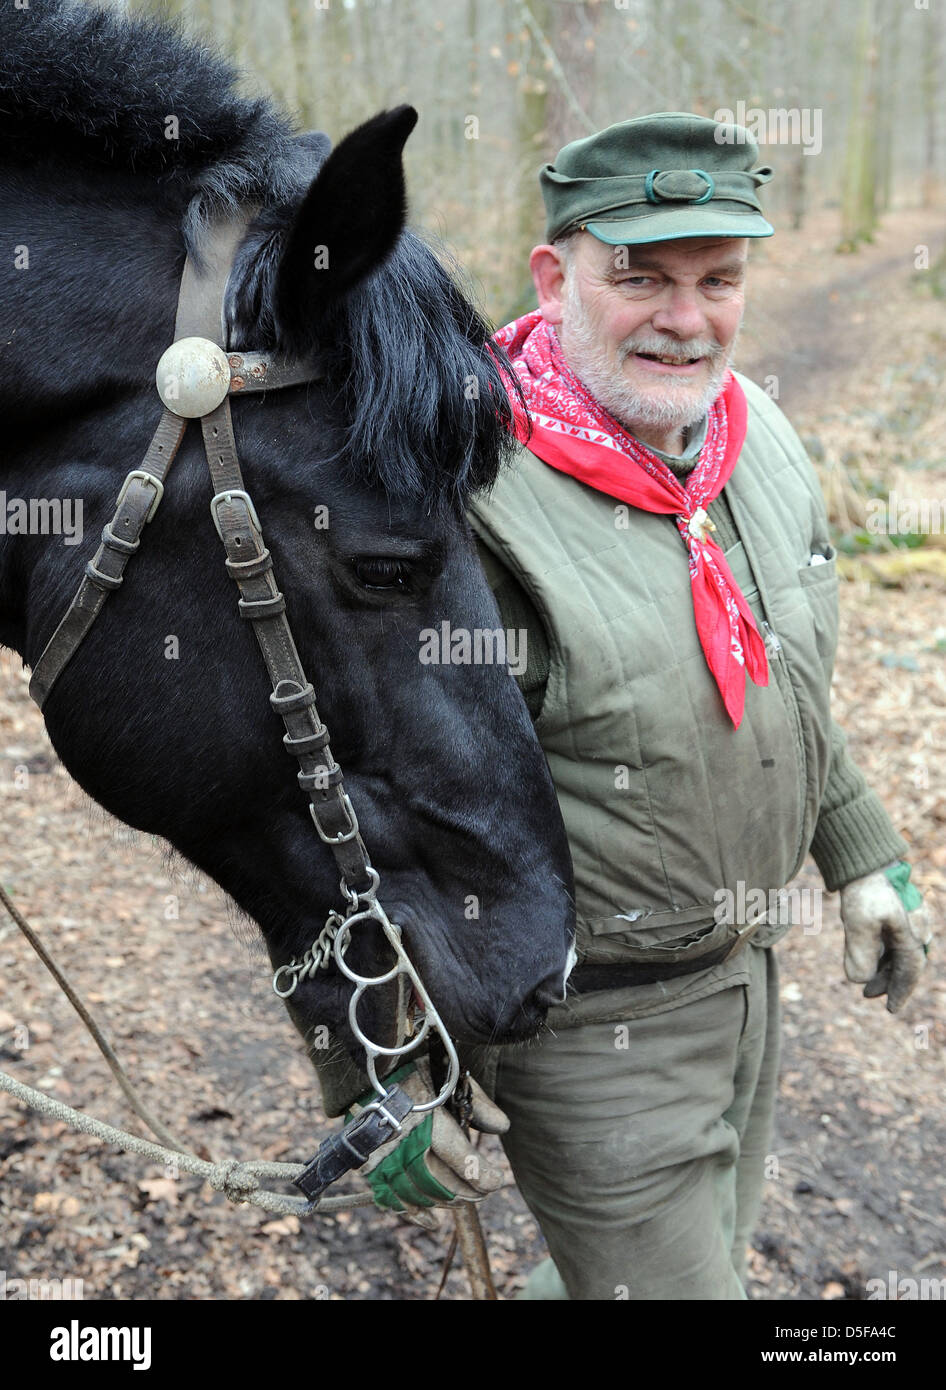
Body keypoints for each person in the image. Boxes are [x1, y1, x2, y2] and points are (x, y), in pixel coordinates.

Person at [312, 112, 932, 1301]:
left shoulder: (758, 440)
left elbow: (779, 679)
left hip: (745, 983)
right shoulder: (454, 497)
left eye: (717, 280)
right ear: (554, 276)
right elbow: (348, 806)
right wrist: (371, 1064)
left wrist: (859, 851)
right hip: (588, 1035)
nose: (684, 317)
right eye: (638, 277)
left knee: (702, 1256)